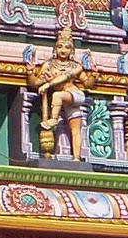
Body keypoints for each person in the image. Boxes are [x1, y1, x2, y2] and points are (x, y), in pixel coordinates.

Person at [27, 25, 93, 159]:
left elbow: (86, 83)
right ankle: (76, 158)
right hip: (67, 102)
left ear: (72, 50)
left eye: (67, 47)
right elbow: (36, 83)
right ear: (55, 49)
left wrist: (94, 75)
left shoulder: (76, 66)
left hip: (76, 95)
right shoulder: (49, 65)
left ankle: (54, 119)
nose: (63, 50)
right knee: (75, 129)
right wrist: (30, 72)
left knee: (57, 95)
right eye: (60, 47)